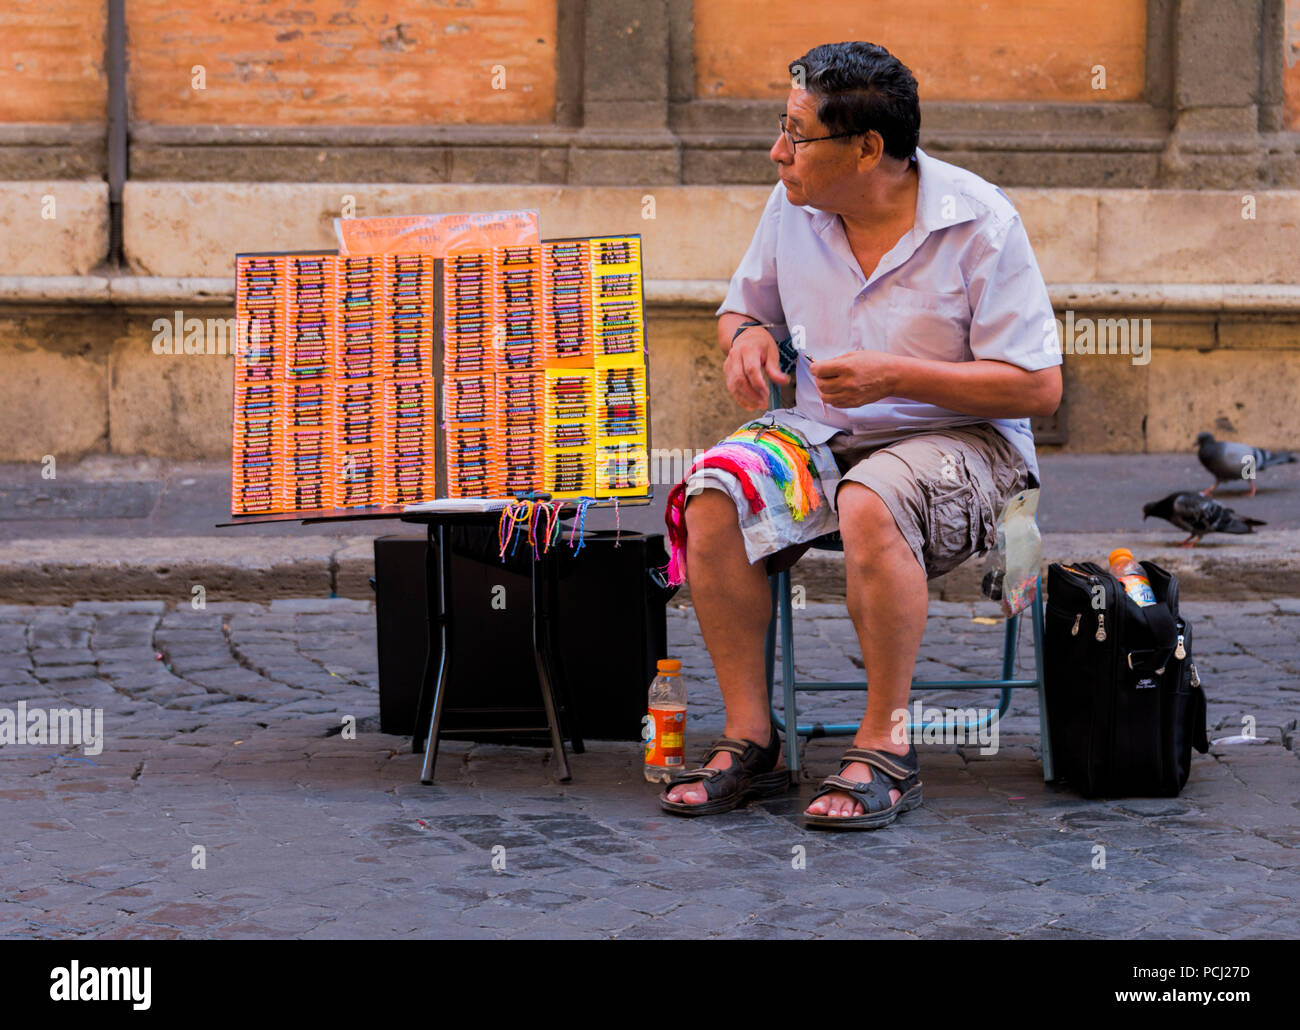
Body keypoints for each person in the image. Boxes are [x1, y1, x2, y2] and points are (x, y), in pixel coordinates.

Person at [659, 41, 1062, 829]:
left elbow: (1037, 387)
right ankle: (754, 739)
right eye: (782, 129)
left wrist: (897, 376)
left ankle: (886, 744)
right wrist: (745, 339)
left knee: (872, 498)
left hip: (970, 443)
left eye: (797, 136)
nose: (780, 153)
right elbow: (745, 310)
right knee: (711, 489)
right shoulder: (794, 203)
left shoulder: (981, 221)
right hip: (822, 433)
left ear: (867, 148)